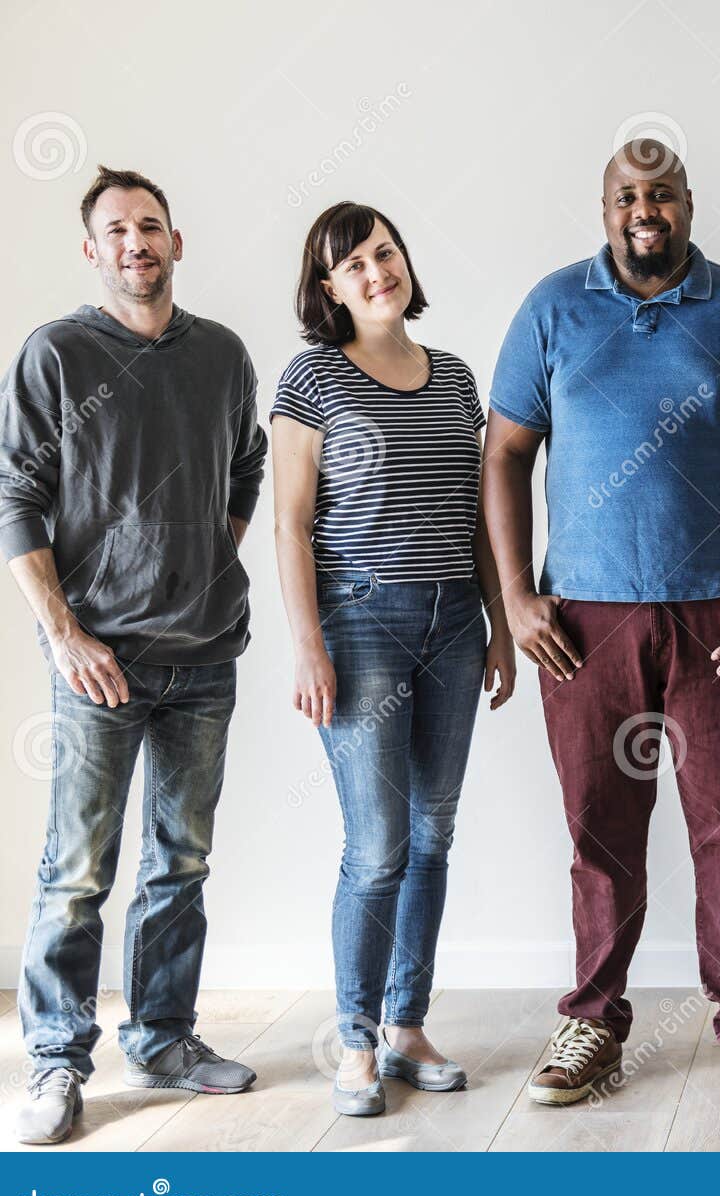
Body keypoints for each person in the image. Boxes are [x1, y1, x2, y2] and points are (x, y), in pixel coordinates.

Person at [484, 139, 720, 1106]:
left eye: (664, 193)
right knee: (600, 832)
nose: (647, 209)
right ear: (604, 209)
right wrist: (516, 595)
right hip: (584, 621)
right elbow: (503, 454)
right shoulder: (553, 307)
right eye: (628, 195)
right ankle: (592, 1024)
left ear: (688, 203)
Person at [0, 166, 266, 1144]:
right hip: (97, 661)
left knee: (180, 860)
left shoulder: (224, 355)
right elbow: (12, 498)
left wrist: (199, 564)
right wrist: (65, 635)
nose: (135, 242)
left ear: (176, 242)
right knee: (77, 870)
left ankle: (162, 1037)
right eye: (115, 230)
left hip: (204, 655)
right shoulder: (57, 355)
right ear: (92, 251)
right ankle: (57, 1064)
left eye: (150, 226)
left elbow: (245, 465)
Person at [271, 202, 516, 1117]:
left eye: (386, 251)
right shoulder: (311, 380)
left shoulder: (454, 379)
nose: (377, 271)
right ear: (328, 288)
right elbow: (292, 528)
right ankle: (356, 1036)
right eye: (354, 264)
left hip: (453, 627)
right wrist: (308, 647)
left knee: (432, 837)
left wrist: (498, 622)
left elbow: (479, 515)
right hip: (360, 629)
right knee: (376, 847)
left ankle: (408, 1025)